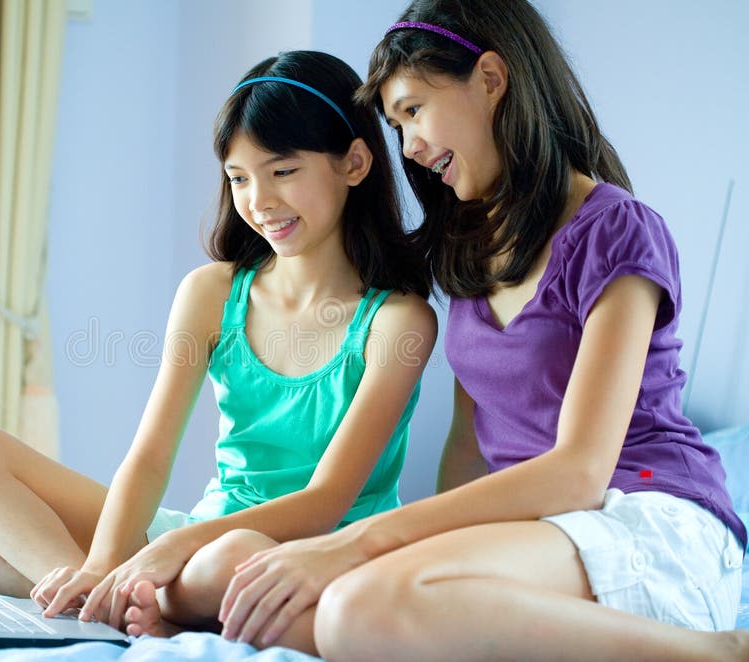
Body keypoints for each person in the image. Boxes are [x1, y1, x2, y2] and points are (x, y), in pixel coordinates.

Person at [209, 2, 749, 660]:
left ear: (490, 79)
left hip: (640, 515)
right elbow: (469, 451)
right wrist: (426, 561)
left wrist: (363, 543)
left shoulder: (617, 230)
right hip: (536, 534)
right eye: (394, 123)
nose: (405, 146)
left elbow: (580, 473)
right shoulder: (466, 247)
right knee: (278, 603)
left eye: (412, 110)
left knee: (359, 604)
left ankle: (721, 651)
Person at [0, 49, 437, 641]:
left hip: (304, 556)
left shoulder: (399, 322)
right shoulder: (211, 293)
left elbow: (324, 502)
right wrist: (104, 559)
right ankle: (90, 588)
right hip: (200, 535)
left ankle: (89, 590)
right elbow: (149, 459)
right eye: (239, 178)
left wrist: (172, 547)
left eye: (282, 171)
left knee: (234, 556)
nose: (259, 201)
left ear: (354, 163)